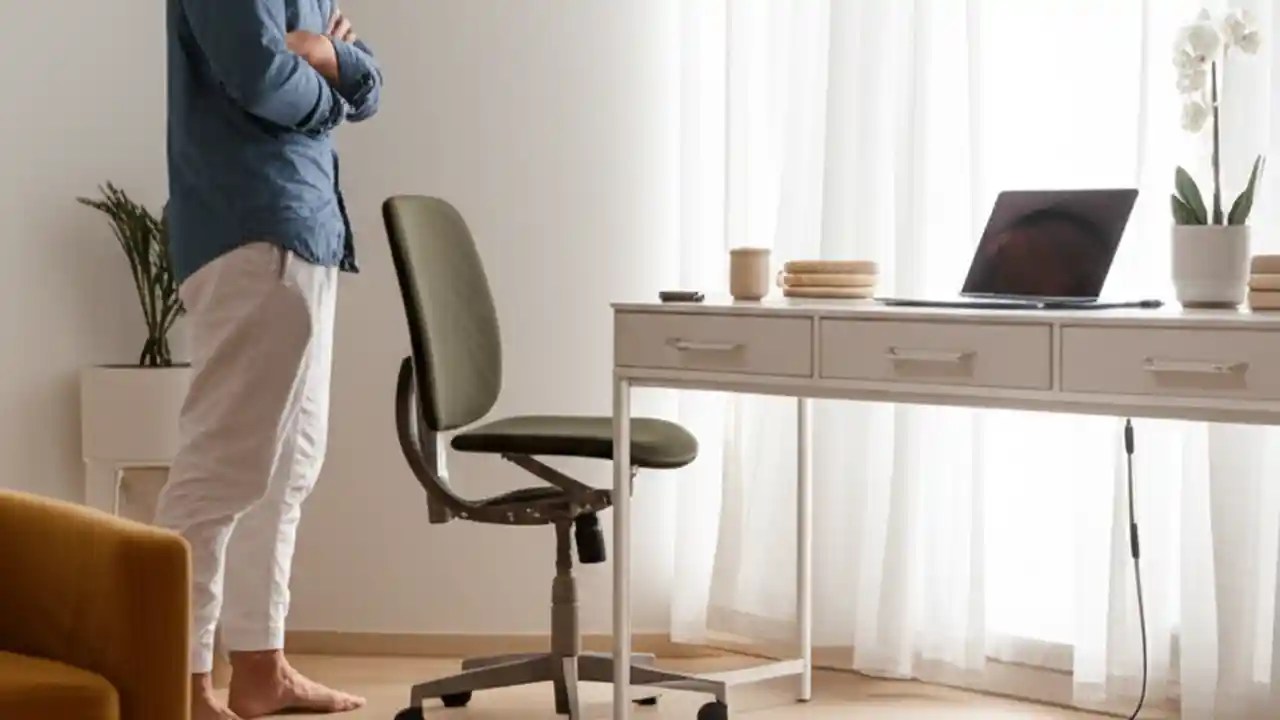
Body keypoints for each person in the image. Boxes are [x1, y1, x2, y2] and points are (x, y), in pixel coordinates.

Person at [156, 2, 382, 718]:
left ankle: (261, 667)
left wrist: (325, 55)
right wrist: (328, 82)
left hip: (307, 228)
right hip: (255, 227)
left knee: (291, 467)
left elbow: (369, 83)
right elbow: (259, 76)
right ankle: (179, 682)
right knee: (220, 471)